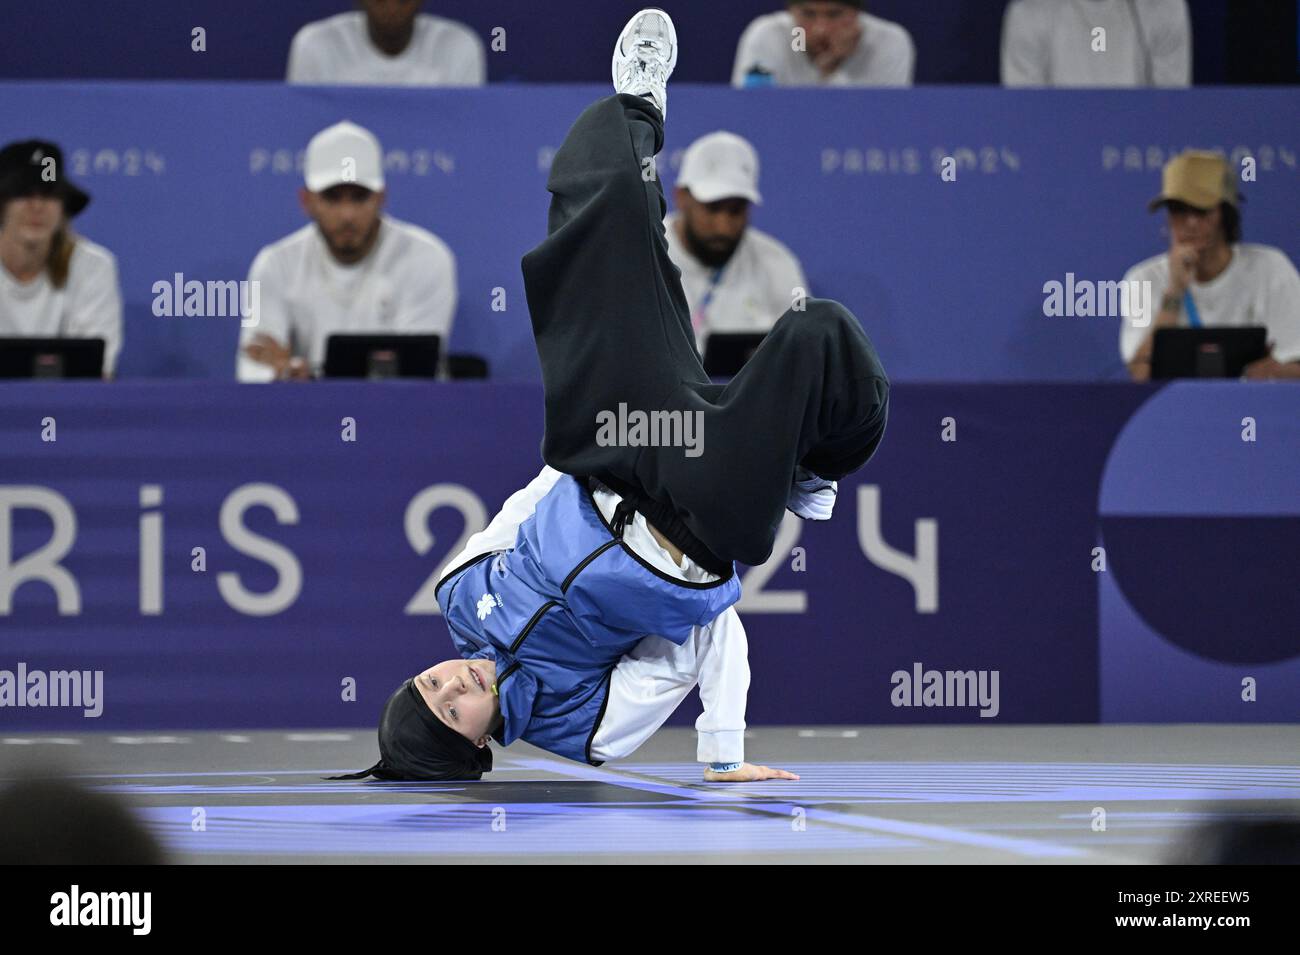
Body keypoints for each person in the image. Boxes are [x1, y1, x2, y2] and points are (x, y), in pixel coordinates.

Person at [337, 9, 888, 784]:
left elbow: (528, 503)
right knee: (818, 333)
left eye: (431, 681)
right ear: (476, 745)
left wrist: (592, 426)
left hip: (612, 451)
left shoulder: (458, 593)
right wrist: (722, 751)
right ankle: (813, 463)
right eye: (454, 708)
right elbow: (704, 642)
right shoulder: (579, 727)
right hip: (697, 524)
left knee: (591, 265)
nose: (456, 680)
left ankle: (635, 111)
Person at [237, 120, 457, 382]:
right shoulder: (276, 263)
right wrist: (285, 374)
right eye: (332, 197)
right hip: (309, 415)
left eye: (359, 197)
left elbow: (413, 371)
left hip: (401, 415)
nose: (347, 214)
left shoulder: (427, 258)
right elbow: (254, 367)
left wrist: (308, 375)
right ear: (307, 201)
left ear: (381, 197)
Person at [1120, 150, 1300, 381]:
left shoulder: (1270, 268)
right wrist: (1174, 291)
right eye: (1178, 210)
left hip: (1254, 411)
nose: (1190, 222)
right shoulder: (1143, 279)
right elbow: (1141, 376)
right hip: (1177, 412)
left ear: (1226, 214)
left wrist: (1275, 373)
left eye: (1201, 210)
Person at [665, 131, 808, 350]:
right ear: (681, 198)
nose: (723, 227)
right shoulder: (640, 253)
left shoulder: (776, 264)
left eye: (736, 210)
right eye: (712, 208)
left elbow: (803, 351)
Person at [0, 140, 123, 379]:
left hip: (69, 410)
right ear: (2, 204)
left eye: (48, 195)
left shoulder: (93, 266)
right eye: (23, 194)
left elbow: (100, 372)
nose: (37, 206)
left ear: (63, 207)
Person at [287, 0, 486, 87]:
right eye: (380, 0)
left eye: (402, 0)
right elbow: (304, 132)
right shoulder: (316, 45)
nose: (391, 9)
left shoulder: (459, 46)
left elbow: (464, 137)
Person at [1001, 0, 1191, 87]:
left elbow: (1171, 109)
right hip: (1058, 149)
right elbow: (1025, 112)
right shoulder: (1028, 14)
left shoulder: (1165, 9)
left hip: (1136, 148)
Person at [731, 1, 914, 88]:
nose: (821, 29)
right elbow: (753, 112)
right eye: (808, 14)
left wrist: (833, 70)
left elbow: (883, 122)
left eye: (834, 14)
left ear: (857, 13)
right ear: (791, 11)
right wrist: (827, 69)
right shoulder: (769, 36)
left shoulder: (888, 42)